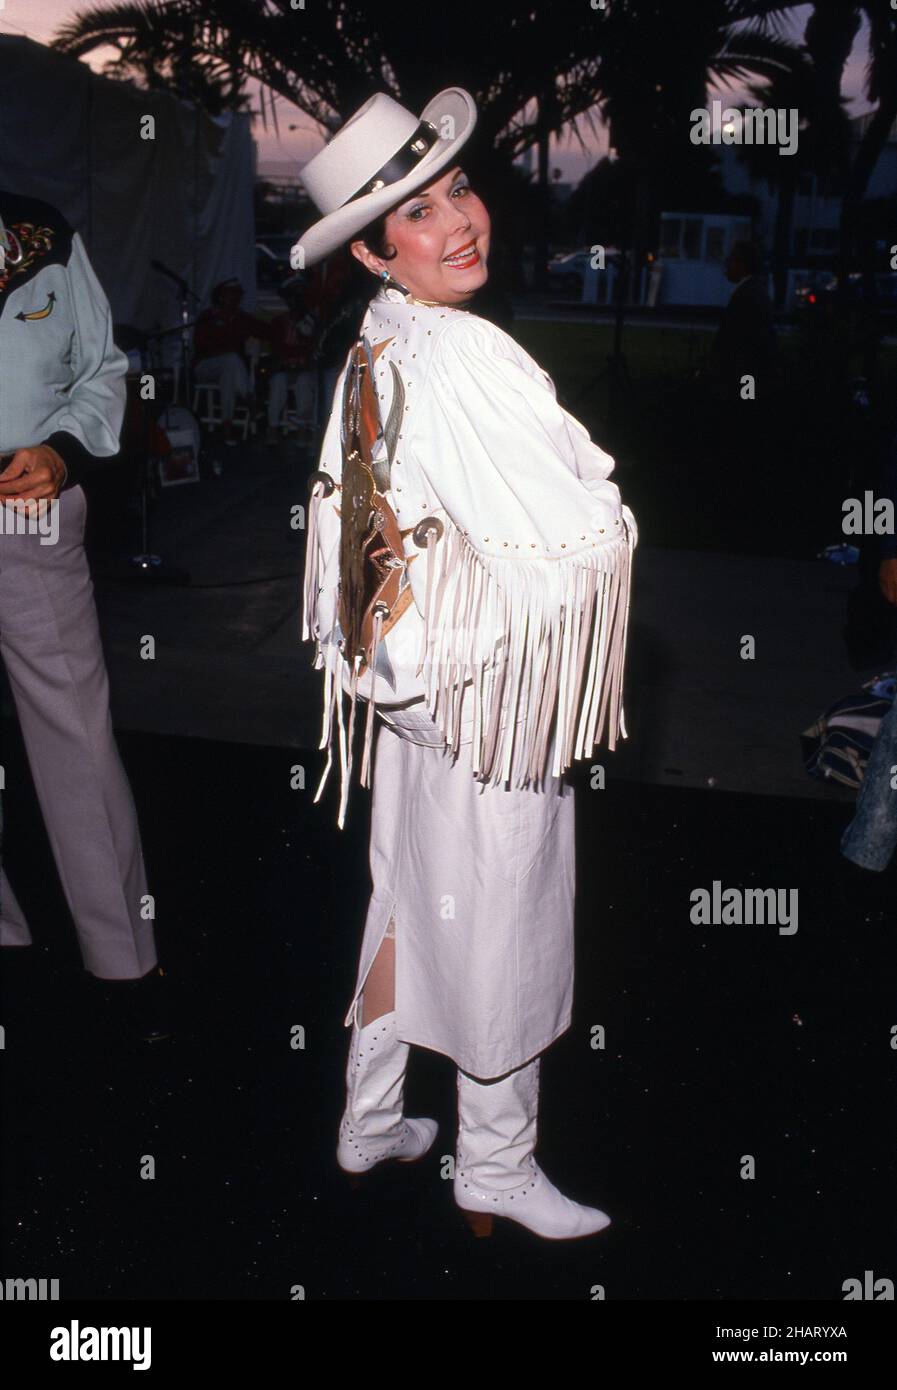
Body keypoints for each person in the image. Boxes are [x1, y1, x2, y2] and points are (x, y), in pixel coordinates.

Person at [294, 87, 637, 1241]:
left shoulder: (378, 342)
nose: (460, 221)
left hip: (406, 680)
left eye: (458, 189)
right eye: (421, 212)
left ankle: (371, 1113)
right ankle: (494, 1161)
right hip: (486, 691)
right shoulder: (468, 354)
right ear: (378, 252)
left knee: (405, 891)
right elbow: (576, 531)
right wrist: (607, 510)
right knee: (509, 917)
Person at [0, 190, 169, 1041]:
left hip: (25, 506)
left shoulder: (43, 237)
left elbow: (104, 367)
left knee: (74, 727)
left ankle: (122, 956)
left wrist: (63, 452)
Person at [193, 278, 271, 445]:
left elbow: (267, 331)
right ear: (221, 297)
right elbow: (202, 346)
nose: (236, 298)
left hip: (229, 370)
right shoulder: (208, 317)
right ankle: (250, 400)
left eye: (238, 295)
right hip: (205, 366)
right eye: (232, 294)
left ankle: (227, 427)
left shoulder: (242, 318)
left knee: (228, 375)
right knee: (231, 359)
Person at [264, 279, 317, 439]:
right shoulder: (279, 322)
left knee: (304, 383)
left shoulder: (312, 322)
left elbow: (312, 349)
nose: (297, 303)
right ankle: (272, 427)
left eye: (300, 299)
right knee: (278, 382)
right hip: (283, 368)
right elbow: (277, 348)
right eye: (294, 299)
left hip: (304, 369)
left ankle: (302, 427)